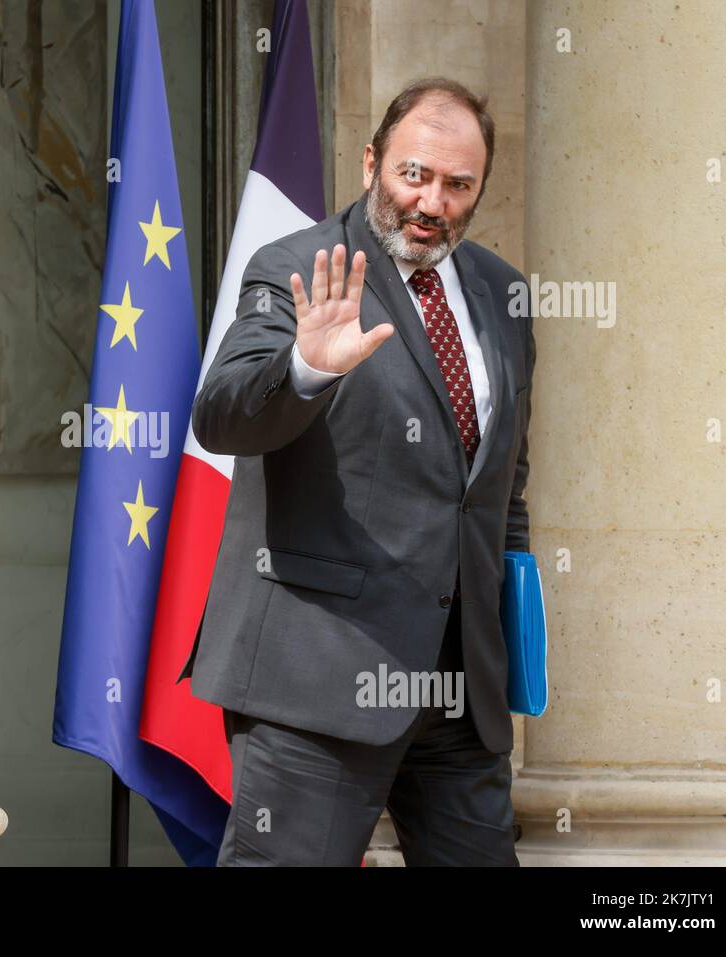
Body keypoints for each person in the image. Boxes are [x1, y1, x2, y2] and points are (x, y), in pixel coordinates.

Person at [179, 77, 534, 866]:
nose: (431, 202)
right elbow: (225, 412)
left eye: (456, 184)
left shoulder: (502, 290)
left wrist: (511, 620)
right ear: (372, 161)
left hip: (459, 685)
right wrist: (305, 364)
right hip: (319, 677)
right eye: (414, 173)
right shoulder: (298, 266)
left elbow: (502, 480)